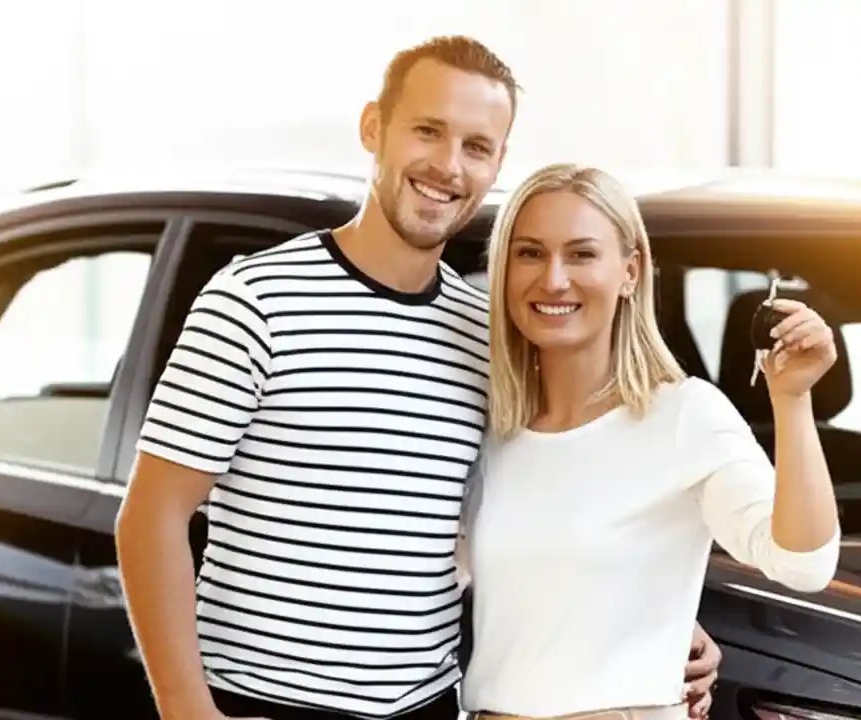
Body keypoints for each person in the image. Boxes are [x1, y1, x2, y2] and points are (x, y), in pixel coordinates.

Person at [115, 36, 721, 720]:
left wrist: (648, 619)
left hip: (431, 708)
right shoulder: (254, 300)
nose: (448, 166)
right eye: (428, 131)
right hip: (265, 703)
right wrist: (188, 712)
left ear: (496, 164)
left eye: (476, 146)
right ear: (374, 128)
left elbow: (537, 516)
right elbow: (150, 518)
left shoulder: (490, 335)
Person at [456, 163, 842, 720]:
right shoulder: (490, 429)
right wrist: (649, 611)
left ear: (630, 271)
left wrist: (793, 400)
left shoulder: (684, 415)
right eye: (530, 253)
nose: (554, 279)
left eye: (583, 254)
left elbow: (804, 565)